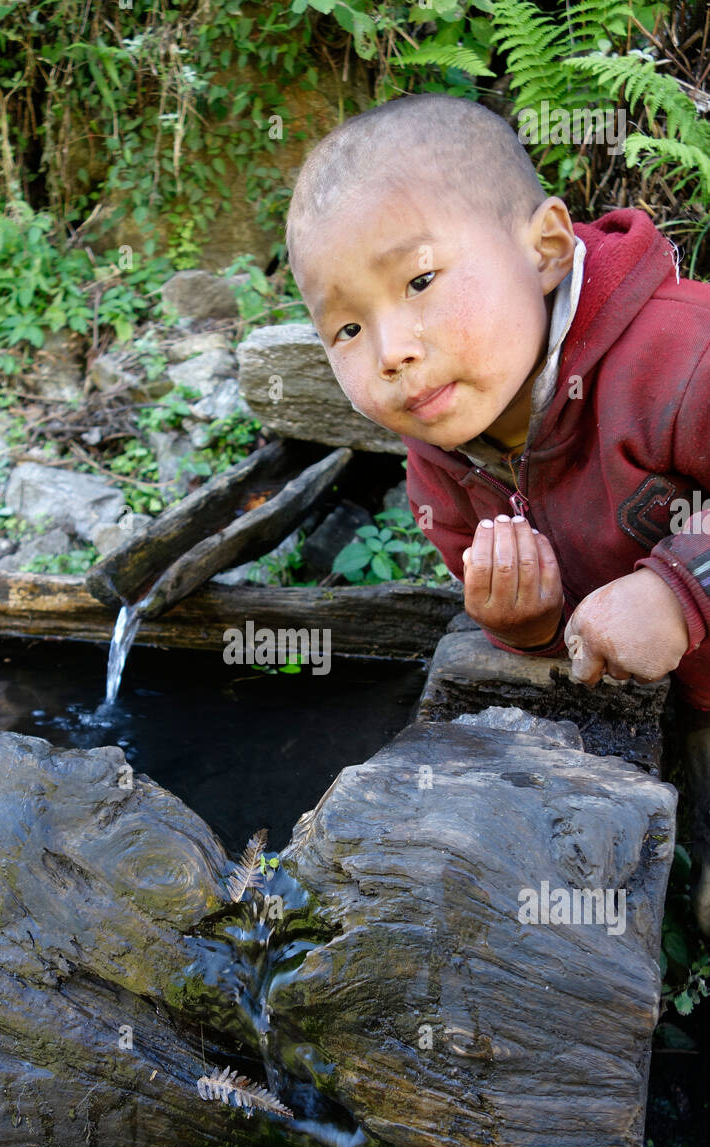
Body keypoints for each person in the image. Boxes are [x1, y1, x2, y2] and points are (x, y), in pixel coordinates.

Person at [285, 92, 710, 932]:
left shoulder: (682, 354)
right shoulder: (443, 455)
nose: (392, 350)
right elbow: (544, 635)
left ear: (546, 247)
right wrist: (528, 624)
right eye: (345, 329)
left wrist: (678, 588)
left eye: (419, 280)